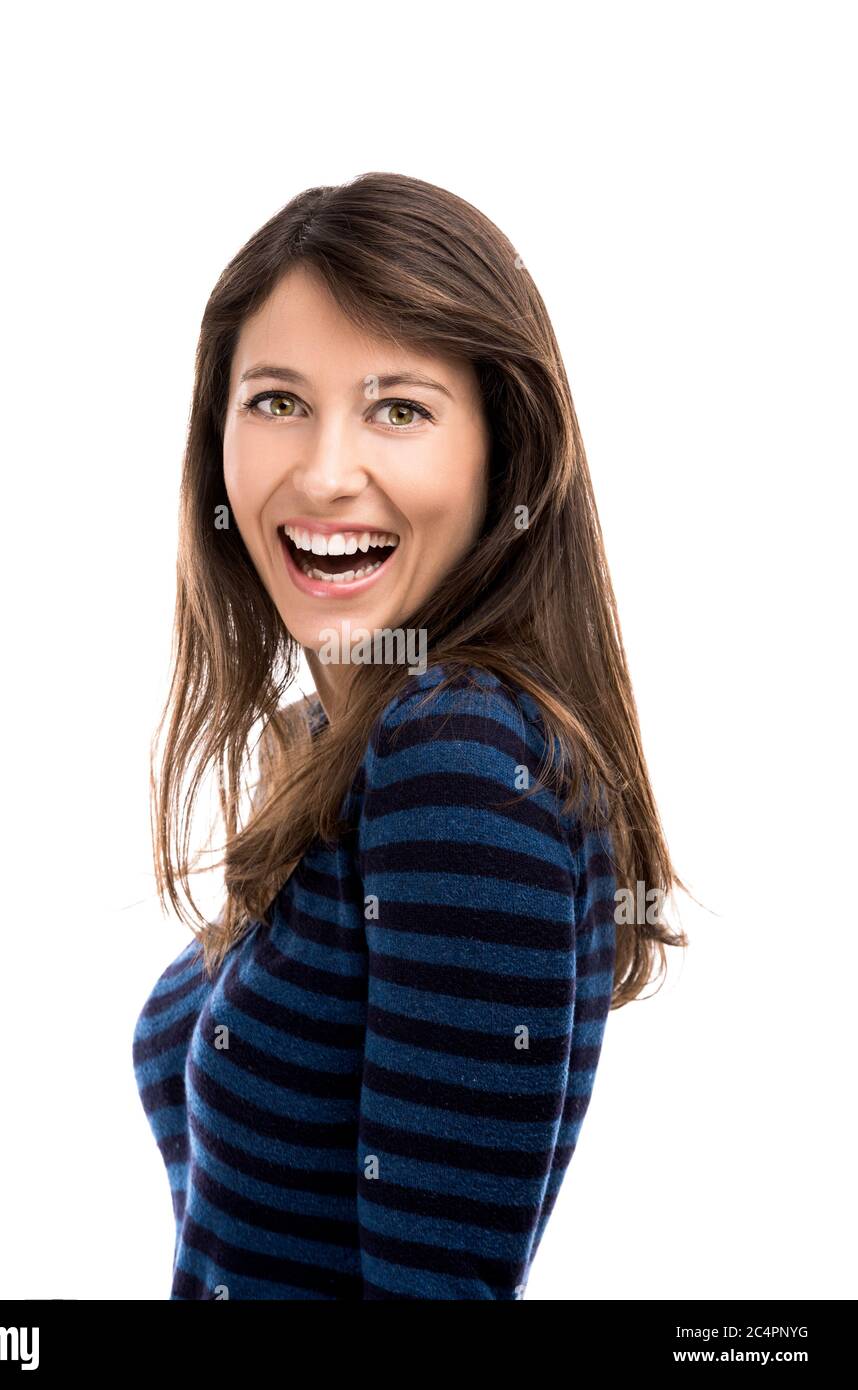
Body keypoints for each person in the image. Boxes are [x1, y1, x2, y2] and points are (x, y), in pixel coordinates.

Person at [132, 171, 687, 1300]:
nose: (325, 473)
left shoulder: (457, 759)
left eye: (400, 410)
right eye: (277, 401)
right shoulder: (331, 741)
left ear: (504, 456)